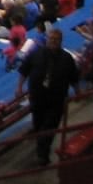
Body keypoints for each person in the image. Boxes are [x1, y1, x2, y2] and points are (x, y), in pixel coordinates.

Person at [20, 28, 78, 164]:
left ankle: (43, 153)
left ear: (60, 41)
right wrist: (19, 87)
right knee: (39, 124)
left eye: (56, 39)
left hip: (56, 98)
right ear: (47, 39)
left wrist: (78, 91)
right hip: (38, 97)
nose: (53, 41)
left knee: (50, 126)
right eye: (51, 38)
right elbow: (24, 70)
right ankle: (42, 149)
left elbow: (73, 76)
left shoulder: (66, 58)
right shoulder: (35, 54)